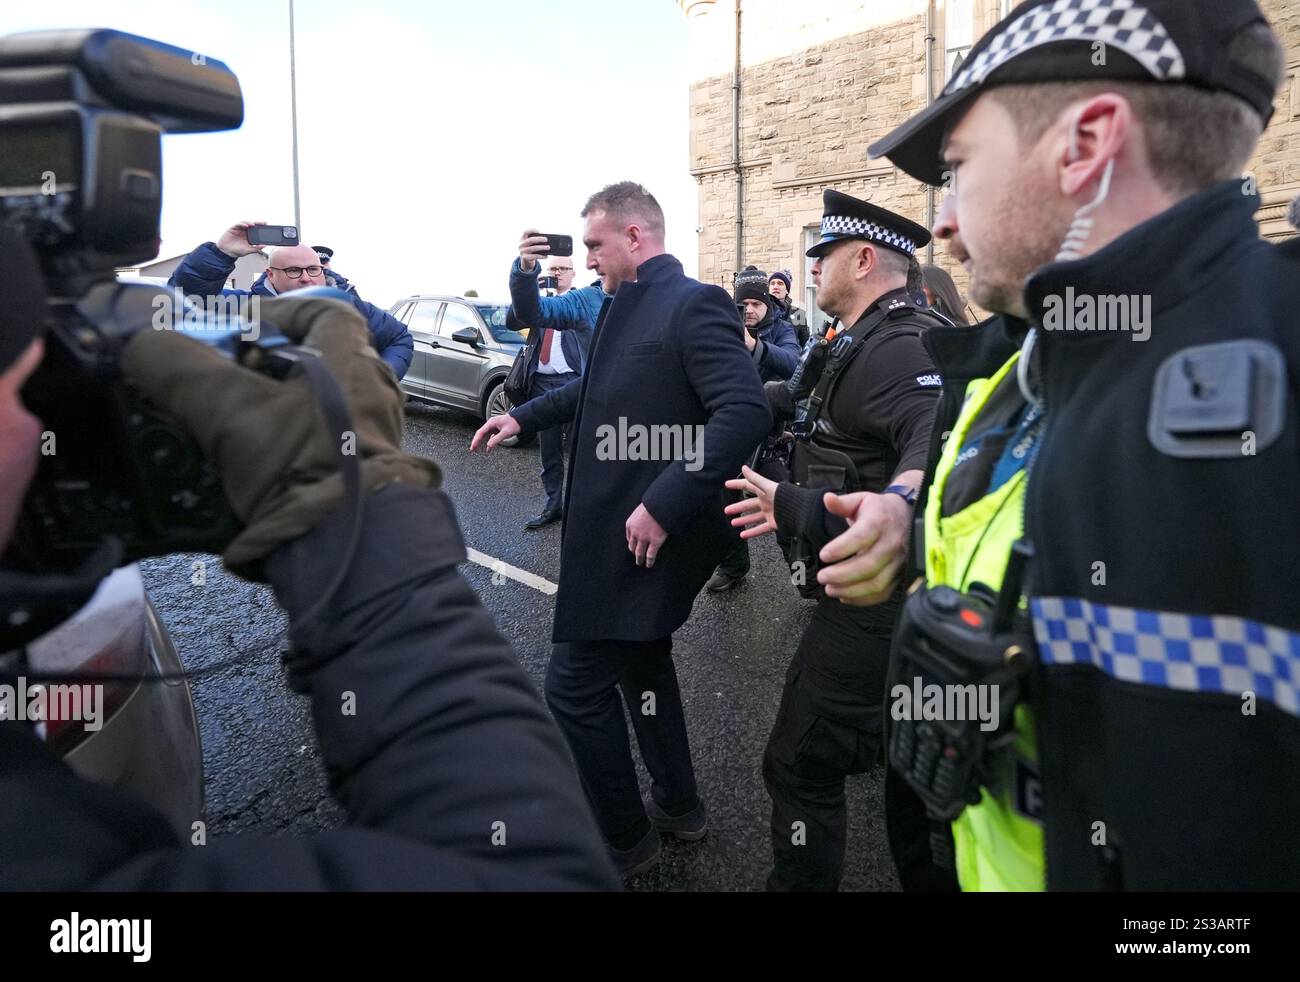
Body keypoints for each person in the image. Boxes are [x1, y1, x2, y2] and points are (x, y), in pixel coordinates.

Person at [0, 230, 617, 889]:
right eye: (15, 390)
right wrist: (349, 509)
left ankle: (319, 641)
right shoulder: (237, 303)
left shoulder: (351, 301)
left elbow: (393, 341)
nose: (40, 428)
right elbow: (530, 870)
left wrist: (377, 384)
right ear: (274, 271)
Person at [860, 0, 1299, 890]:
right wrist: (904, 530)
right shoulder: (1022, 361)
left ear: (1086, 143)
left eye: (956, 169)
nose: (939, 224)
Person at [471, 182, 771, 876]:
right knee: (643, 662)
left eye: (596, 246)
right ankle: (679, 807)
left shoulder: (695, 303)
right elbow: (594, 390)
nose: (590, 260)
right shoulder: (617, 306)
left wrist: (667, 500)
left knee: (573, 691)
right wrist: (522, 417)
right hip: (611, 526)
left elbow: (743, 413)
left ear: (635, 237)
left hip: (643, 536)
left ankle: (624, 843)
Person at [724, 189, 945, 891]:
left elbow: (932, 433)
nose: (810, 268)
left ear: (864, 257)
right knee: (912, 788)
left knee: (797, 763)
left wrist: (896, 500)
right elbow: (792, 398)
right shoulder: (853, 337)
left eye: (821, 256)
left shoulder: (902, 343)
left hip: (873, 609)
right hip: (871, 599)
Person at [168, 221, 411, 379]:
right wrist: (223, 252)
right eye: (294, 271)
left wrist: (381, 378)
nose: (306, 278)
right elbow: (179, 305)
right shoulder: (243, 310)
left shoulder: (349, 306)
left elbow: (399, 338)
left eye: (313, 269)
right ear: (271, 274)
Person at [705, 264, 801, 593]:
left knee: (785, 506)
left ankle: (804, 571)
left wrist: (754, 346)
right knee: (724, 505)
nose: (749, 311)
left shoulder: (782, 329)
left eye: (756, 305)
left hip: (769, 436)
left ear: (767, 305)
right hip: (730, 431)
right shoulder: (722, 329)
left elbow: (793, 362)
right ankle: (733, 565)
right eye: (742, 305)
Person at [510, 234, 604, 529]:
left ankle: (579, 509)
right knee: (549, 454)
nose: (557, 273)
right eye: (553, 269)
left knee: (581, 452)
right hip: (542, 384)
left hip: (574, 382)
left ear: (574, 273)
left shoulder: (585, 303)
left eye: (563, 269)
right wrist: (532, 290)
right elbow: (513, 321)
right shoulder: (540, 303)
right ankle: (553, 506)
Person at [768, 269, 809, 346]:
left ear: (787, 290)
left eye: (780, 283)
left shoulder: (798, 314)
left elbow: (805, 344)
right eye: (772, 283)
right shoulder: (762, 311)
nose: (775, 287)